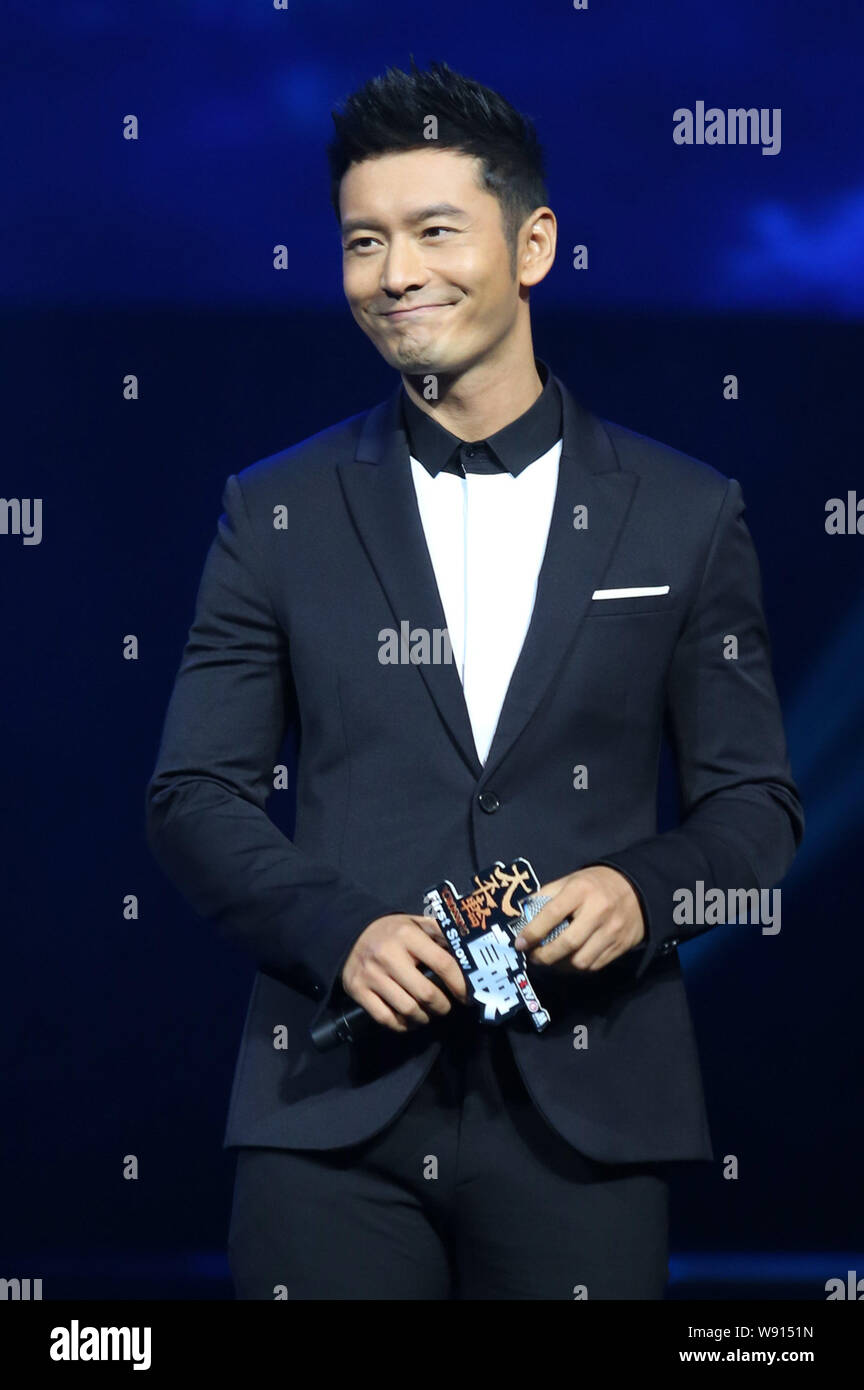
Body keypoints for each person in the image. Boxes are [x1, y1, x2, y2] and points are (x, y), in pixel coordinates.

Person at [145, 58, 804, 1300]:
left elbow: (756, 809)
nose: (397, 274)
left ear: (534, 242)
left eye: (435, 230)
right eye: (362, 242)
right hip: (329, 1114)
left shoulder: (683, 512)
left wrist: (639, 888)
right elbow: (193, 794)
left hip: (591, 1119)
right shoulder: (276, 508)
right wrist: (337, 931)